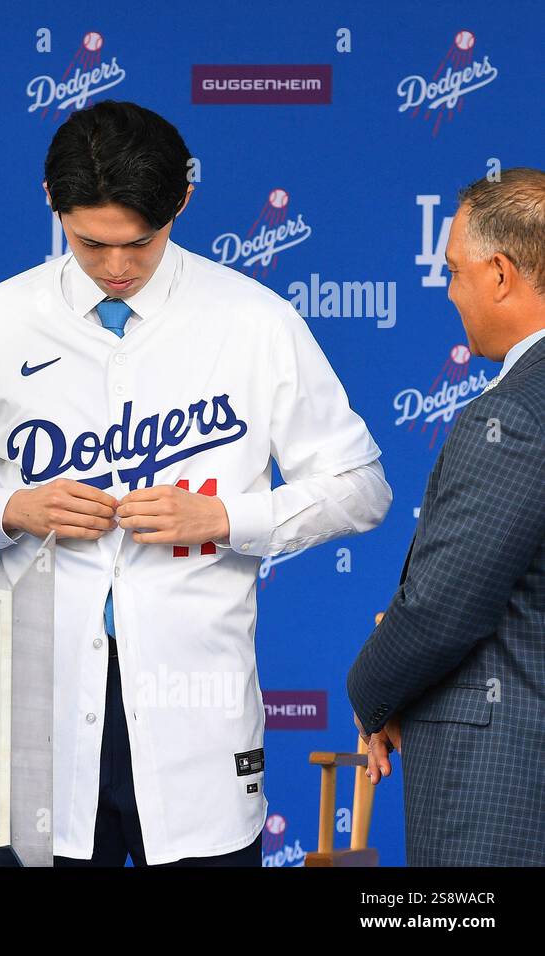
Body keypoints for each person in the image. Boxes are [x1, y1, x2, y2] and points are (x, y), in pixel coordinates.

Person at [0, 100, 391, 866]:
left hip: (201, 729)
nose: (118, 267)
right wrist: (13, 508)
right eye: (91, 244)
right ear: (51, 203)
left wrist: (226, 518)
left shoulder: (255, 322)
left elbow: (362, 487)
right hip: (43, 722)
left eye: (142, 243)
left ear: (182, 203)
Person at [348, 168, 545, 866]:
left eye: (455, 272)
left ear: (499, 275)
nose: (450, 292)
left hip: (506, 790)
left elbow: (441, 612)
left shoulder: (514, 413)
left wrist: (372, 689)